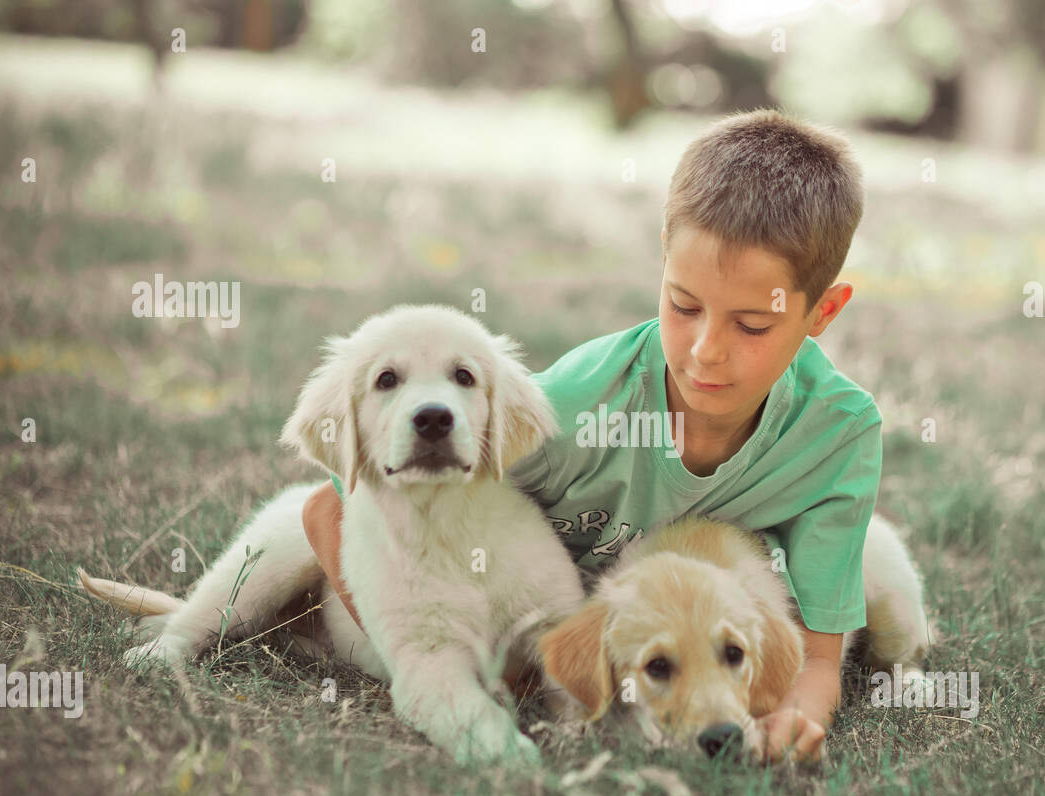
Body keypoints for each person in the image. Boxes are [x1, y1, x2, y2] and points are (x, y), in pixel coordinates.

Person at [302, 108, 879, 762]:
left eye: (751, 324)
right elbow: (333, 507)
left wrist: (797, 715)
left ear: (822, 311)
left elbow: (822, 655)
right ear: (662, 263)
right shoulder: (571, 411)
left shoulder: (839, 436)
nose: (706, 350)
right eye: (683, 305)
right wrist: (408, 654)